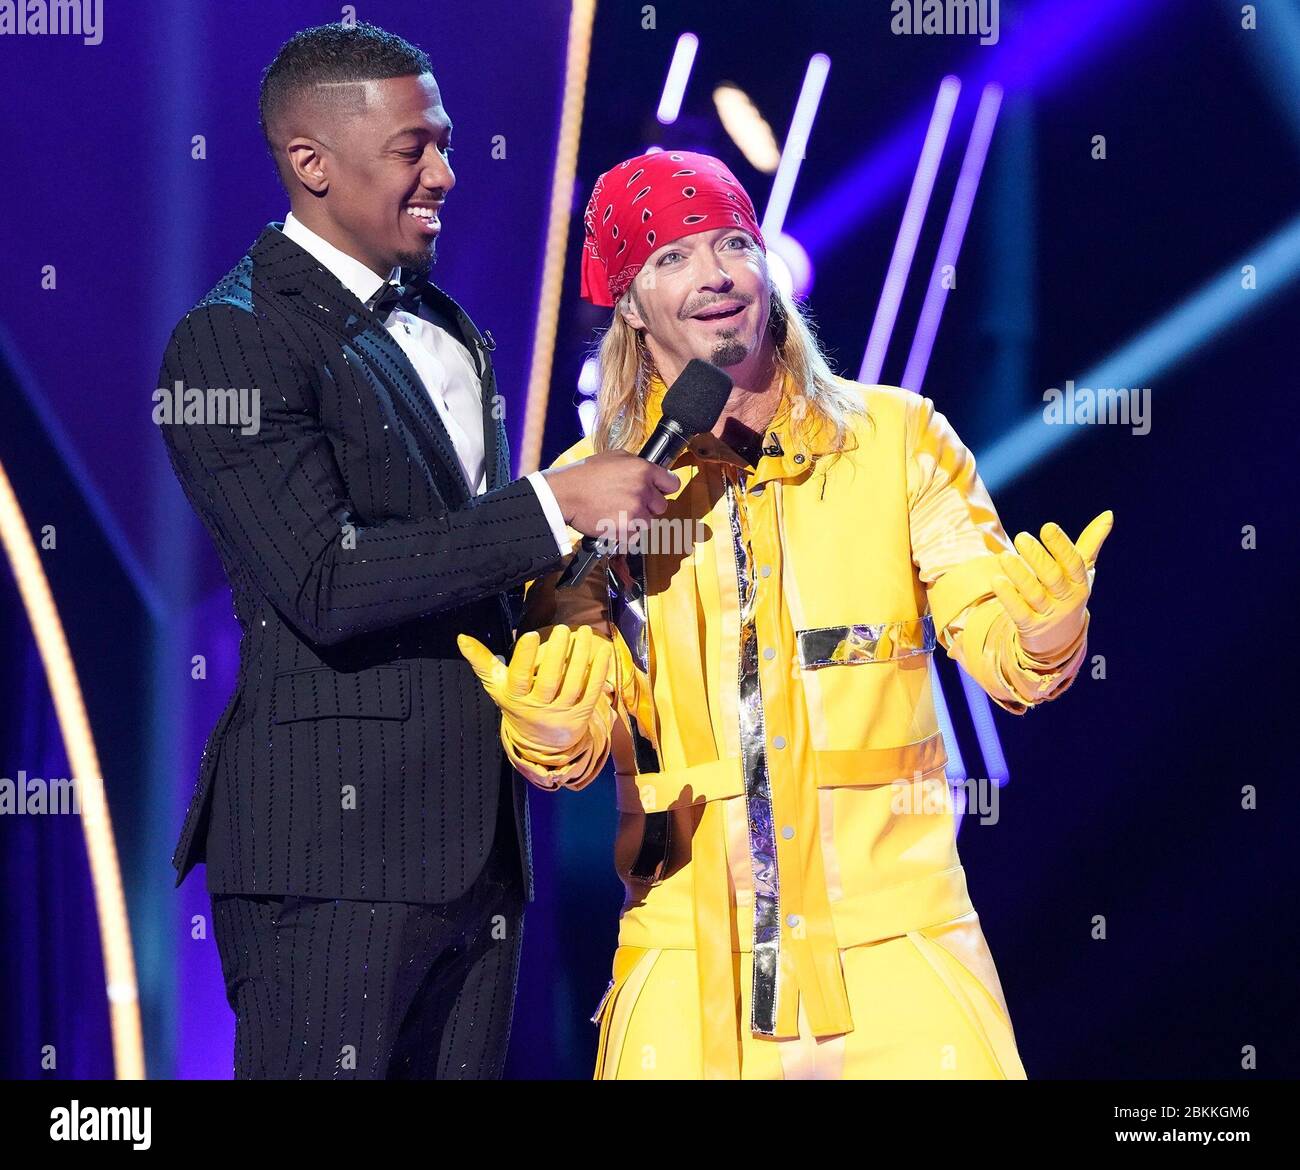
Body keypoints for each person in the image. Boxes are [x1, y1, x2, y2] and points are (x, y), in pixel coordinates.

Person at [458, 149, 1113, 1079]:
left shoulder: (898, 440)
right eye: (672, 258)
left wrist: (1043, 630)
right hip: (691, 967)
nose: (716, 275)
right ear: (631, 305)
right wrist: (549, 718)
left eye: (732, 244)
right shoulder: (588, 492)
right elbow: (573, 730)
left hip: (898, 944)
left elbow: (1001, 640)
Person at [156, 24, 675, 1079]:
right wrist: (550, 506)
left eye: (444, 144)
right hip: (330, 853)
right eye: (414, 149)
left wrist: (565, 601)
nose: (445, 172)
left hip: (479, 840)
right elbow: (327, 579)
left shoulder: (446, 324)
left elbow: (457, 563)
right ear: (311, 163)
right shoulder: (232, 339)